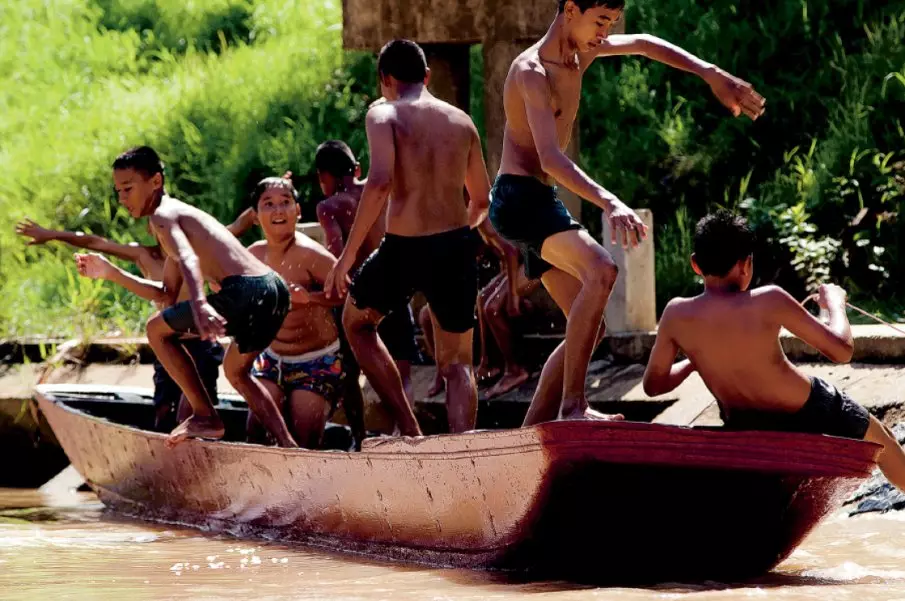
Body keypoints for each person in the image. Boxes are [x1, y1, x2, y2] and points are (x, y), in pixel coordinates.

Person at [490, 0, 766, 426]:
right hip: (519, 198)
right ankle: (573, 408)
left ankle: (530, 437)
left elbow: (644, 44)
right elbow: (548, 158)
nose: (604, 33)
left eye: (610, 24)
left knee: (589, 329)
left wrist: (709, 72)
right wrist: (610, 201)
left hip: (535, 201)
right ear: (569, 10)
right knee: (601, 270)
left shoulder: (582, 52)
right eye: (599, 21)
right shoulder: (532, 72)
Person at [642, 210, 905, 492]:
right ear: (746, 264)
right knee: (883, 444)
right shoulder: (769, 300)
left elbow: (653, 385)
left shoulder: (676, 314)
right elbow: (841, 351)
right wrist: (834, 304)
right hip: (813, 409)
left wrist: (694, 361)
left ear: (695, 264)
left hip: (742, 421)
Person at [75, 145, 295, 447]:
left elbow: (190, 259)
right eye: (118, 191)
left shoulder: (162, 216)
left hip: (247, 291)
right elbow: (165, 295)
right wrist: (112, 273)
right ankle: (288, 444)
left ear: (155, 182)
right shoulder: (178, 219)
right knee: (237, 372)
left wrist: (201, 303)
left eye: (128, 188)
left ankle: (206, 416)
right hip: (274, 291)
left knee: (155, 329)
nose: (123, 199)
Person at [325, 39, 490, 435]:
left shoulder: (383, 114)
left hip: (403, 248)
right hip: (455, 244)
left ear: (385, 78)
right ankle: (463, 455)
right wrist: (458, 237)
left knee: (357, 322)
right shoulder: (462, 121)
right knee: (458, 364)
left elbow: (379, 182)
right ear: (427, 76)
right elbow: (482, 199)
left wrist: (346, 260)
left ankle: (411, 431)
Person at [22, 211, 255, 432]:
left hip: (199, 342)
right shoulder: (145, 256)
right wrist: (52, 234)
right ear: (152, 230)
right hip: (166, 345)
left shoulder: (197, 252)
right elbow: (97, 243)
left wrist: (257, 209)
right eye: (162, 228)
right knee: (163, 411)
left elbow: (235, 228)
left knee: (191, 411)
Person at [244, 174, 358, 449]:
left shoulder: (311, 255)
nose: (278, 210)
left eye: (285, 202)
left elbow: (348, 295)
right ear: (256, 216)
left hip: (316, 361)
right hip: (272, 359)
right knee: (255, 430)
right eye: (268, 204)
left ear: (298, 210)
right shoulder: (252, 256)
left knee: (305, 438)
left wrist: (310, 298)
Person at [314, 140, 422, 408]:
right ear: (358, 168)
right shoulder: (380, 192)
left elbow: (335, 255)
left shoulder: (329, 207)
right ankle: (403, 435)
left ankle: (359, 438)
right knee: (401, 375)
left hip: (360, 293)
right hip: (396, 282)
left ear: (323, 177)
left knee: (350, 374)